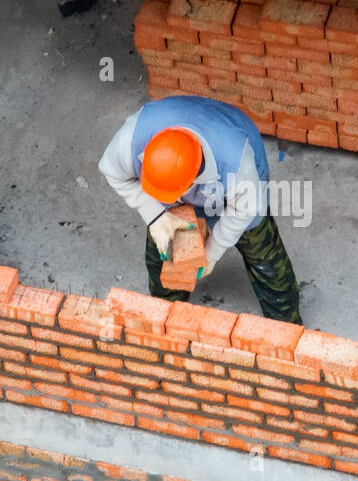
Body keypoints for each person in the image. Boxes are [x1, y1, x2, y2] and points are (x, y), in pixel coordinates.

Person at [99, 95, 301, 323]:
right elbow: (110, 170)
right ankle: (165, 316)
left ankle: (286, 323)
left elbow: (246, 210)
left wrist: (213, 252)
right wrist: (156, 216)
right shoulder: (132, 140)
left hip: (231, 165)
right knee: (167, 251)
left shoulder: (237, 164)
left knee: (263, 254)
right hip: (174, 173)